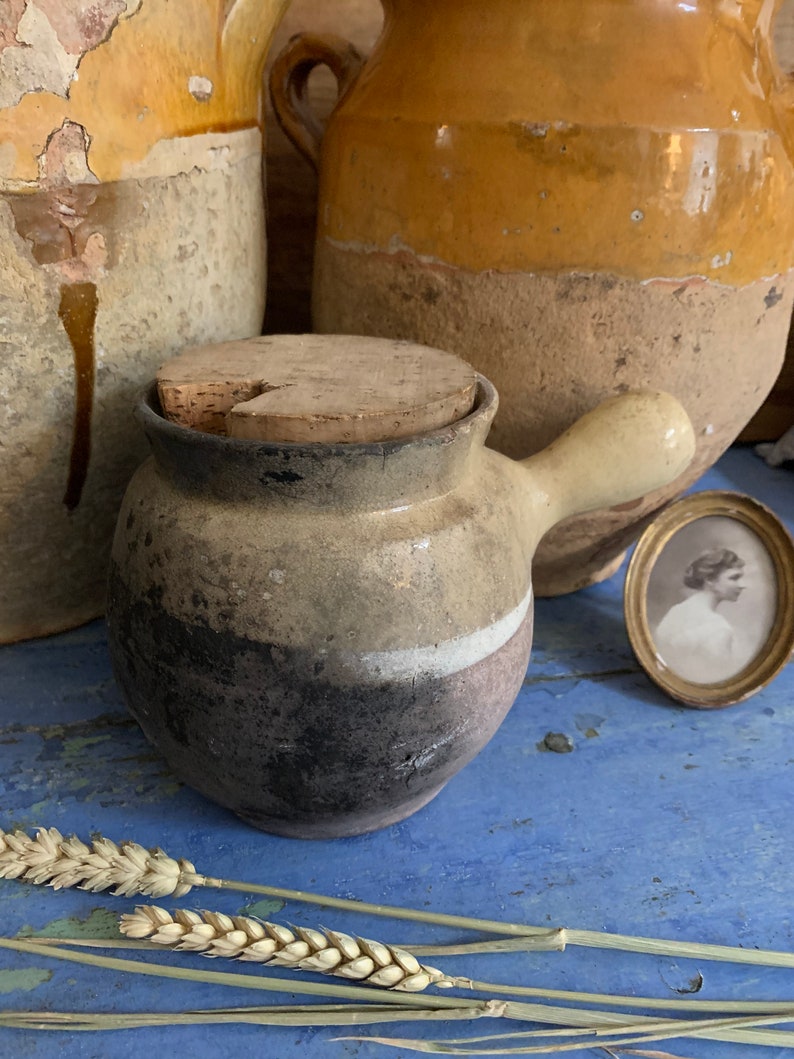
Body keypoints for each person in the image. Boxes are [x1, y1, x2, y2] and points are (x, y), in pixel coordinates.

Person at [653, 548, 747, 684]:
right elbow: (715, 679)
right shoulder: (719, 629)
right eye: (734, 578)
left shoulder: (677, 610)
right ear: (710, 580)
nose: (742, 585)